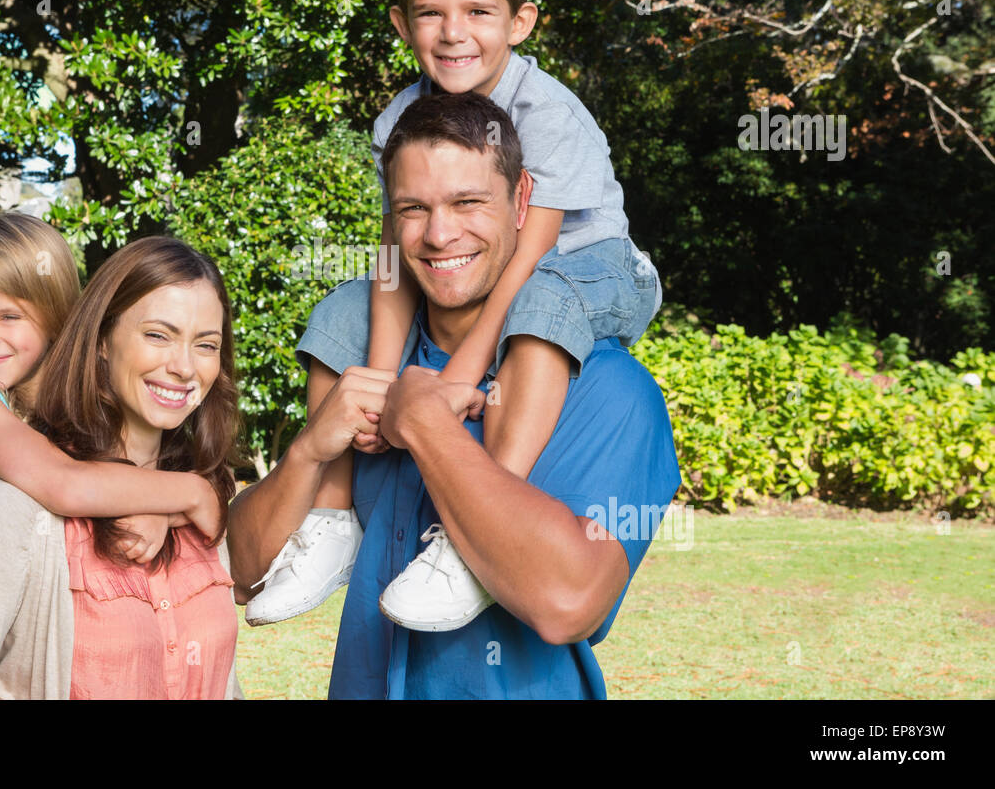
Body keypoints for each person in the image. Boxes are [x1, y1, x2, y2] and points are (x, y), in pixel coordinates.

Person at [242, 0, 663, 632]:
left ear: (521, 22)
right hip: (517, 277)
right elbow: (389, 256)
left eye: (477, 11)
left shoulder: (547, 117)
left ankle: (473, 541)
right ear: (404, 27)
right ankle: (333, 517)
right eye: (430, 14)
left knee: (544, 301)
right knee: (344, 302)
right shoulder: (399, 118)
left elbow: (530, 257)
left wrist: (456, 383)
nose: (454, 33)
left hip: (590, 269)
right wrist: (375, 392)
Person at [228, 92, 680, 698]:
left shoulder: (607, 388)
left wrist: (427, 424)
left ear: (522, 200)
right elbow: (239, 571)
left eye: (468, 202)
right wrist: (309, 452)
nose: (440, 234)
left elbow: (570, 603)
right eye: (414, 208)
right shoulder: (359, 368)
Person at [0, 214, 222, 699]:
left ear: (56, 313)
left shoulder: (49, 413)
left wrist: (159, 510)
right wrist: (189, 493)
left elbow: (97, 483)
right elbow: (65, 484)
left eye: (9, 317)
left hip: (9, 664)